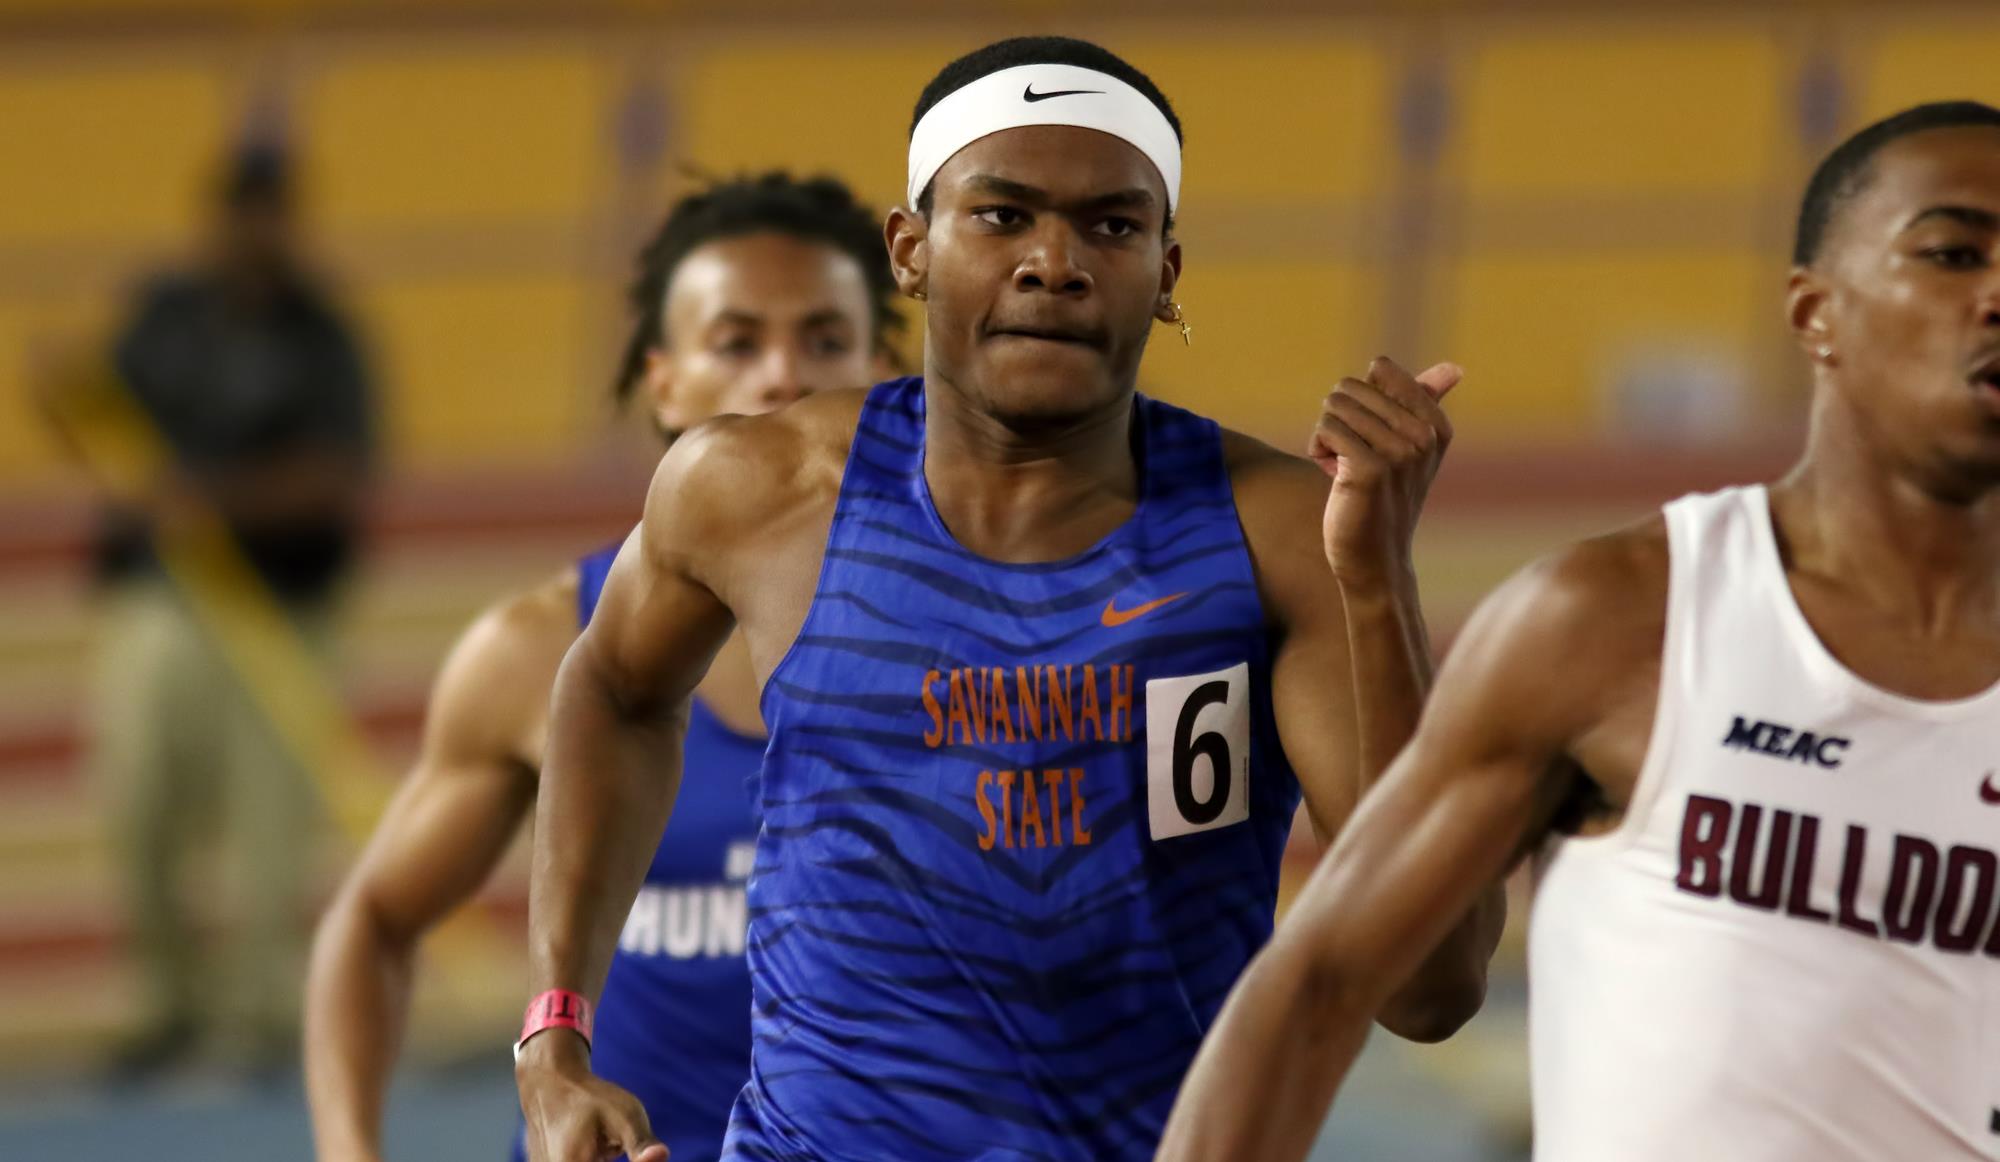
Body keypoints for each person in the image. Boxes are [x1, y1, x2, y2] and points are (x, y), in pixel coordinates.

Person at [514, 35, 1502, 1162]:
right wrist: (555, 1037)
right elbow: (612, 690)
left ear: (1166, 273)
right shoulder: (755, 492)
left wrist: (1376, 582)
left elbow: (1434, 986)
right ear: (909, 249)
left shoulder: (1279, 536)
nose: (1054, 261)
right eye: (1001, 216)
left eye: (1112, 226)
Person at [1156, 100, 2000, 1162]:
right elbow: (1332, 982)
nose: (1993, 292)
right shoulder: (1620, 617)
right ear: (1813, 312)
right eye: (1950, 252)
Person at [302, 173, 902, 1162]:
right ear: (665, 382)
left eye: (825, 339)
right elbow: (371, 921)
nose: (782, 375)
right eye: (736, 341)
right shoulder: (536, 649)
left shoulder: (984, 638)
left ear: (884, 370)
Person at [81, 144, 376, 1078]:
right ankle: (168, 1004)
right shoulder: (164, 316)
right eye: (241, 210)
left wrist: (211, 504)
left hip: (282, 609)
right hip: (160, 605)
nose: (255, 230)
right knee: (141, 803)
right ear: (217, 217)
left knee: (267, 829)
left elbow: (337, 476)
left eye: (272, 210)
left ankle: (253, 1015)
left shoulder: (324, 335)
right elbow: (94, 416)